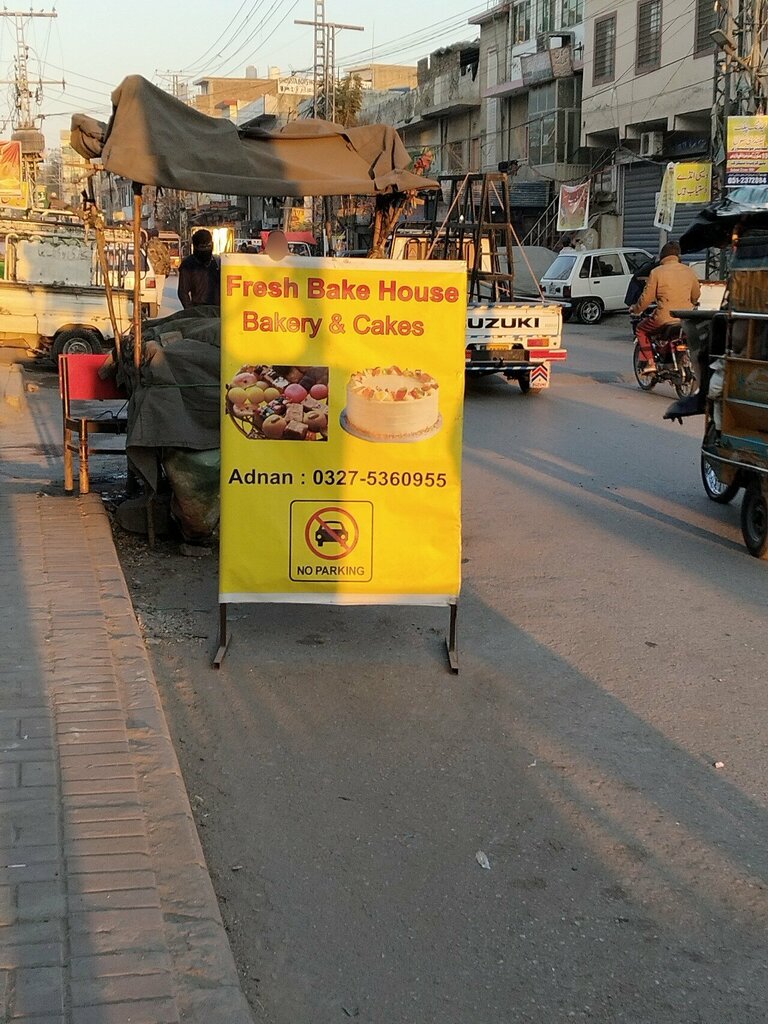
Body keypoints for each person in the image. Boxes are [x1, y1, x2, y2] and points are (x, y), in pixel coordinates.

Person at [631, 241, 700, 374]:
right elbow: (696, 295)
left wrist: (636, 309)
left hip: (664, 318)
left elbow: (646, 299)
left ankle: (651, 363)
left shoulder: (657, 272)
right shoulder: (689, 271)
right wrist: (691, 303)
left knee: (641, 329)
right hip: (686, 318)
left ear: (662, 256)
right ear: (678, 256)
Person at [177, 229, 220, 308]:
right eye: (203, 247)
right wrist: (190, 310)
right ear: (195, 247)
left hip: (217, 310)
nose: (206, 249)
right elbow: (183, 292)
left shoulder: (218, 263)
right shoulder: (188, 265)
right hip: (198, 309)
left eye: (209, 246)